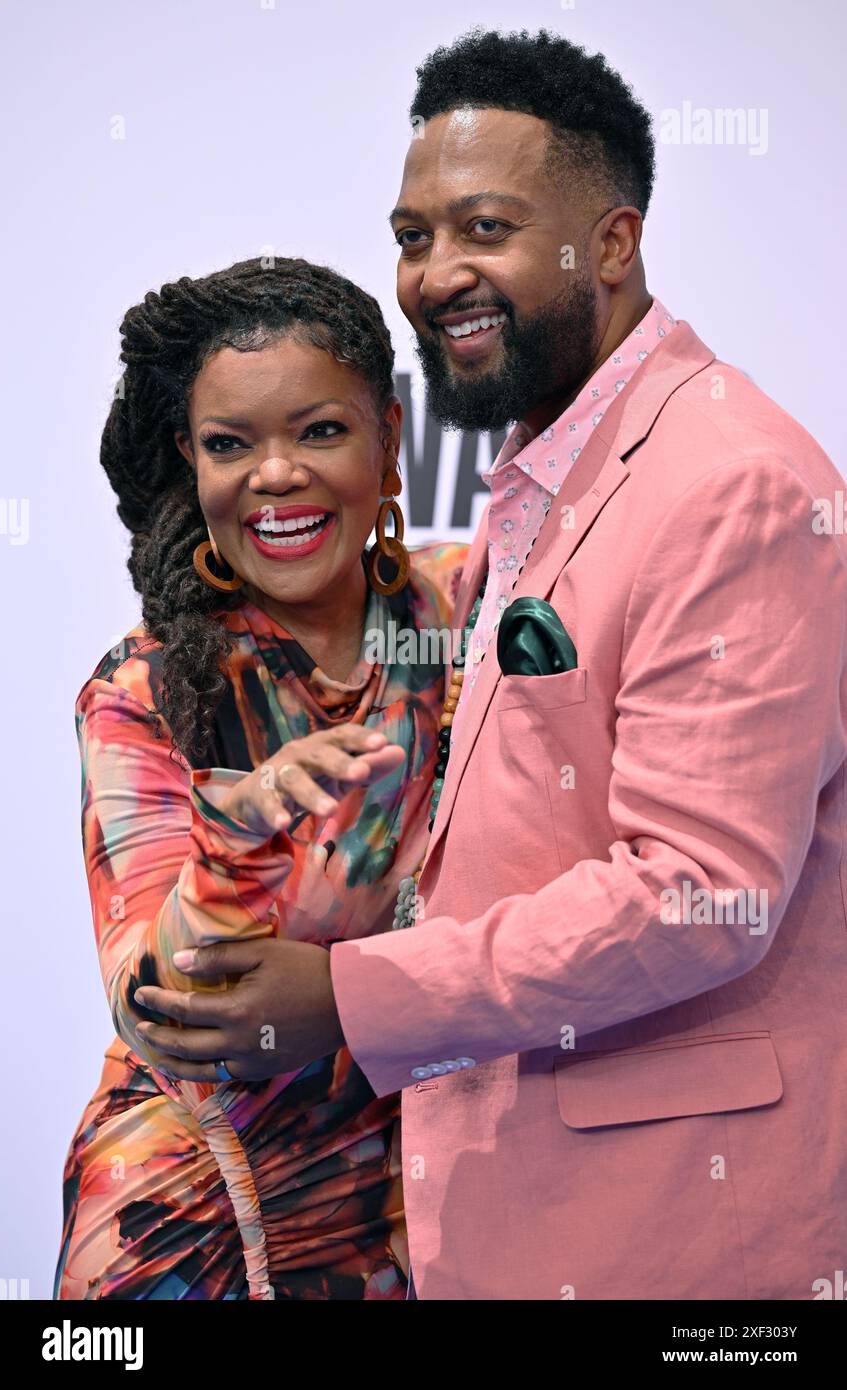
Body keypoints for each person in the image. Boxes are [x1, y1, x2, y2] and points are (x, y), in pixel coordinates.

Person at [136, 32, 847, 1300]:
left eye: (484, 229)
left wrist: (353, 995)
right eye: (414, 237)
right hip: (500, 1214)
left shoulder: (727, 483)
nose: (435, 275)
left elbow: (700, 888)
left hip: (675, 1238)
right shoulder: (550, 465)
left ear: (613, 244)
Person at [52, 255, 465, 1300]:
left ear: (389, 443)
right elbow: (164, 1009)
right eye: (231, 444)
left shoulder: (463, 616)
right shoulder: (145, 686)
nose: (274, 475)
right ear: (191, 461)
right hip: (188, 1224)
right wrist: (232, 839)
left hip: (409, 1208)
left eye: (319, 430)